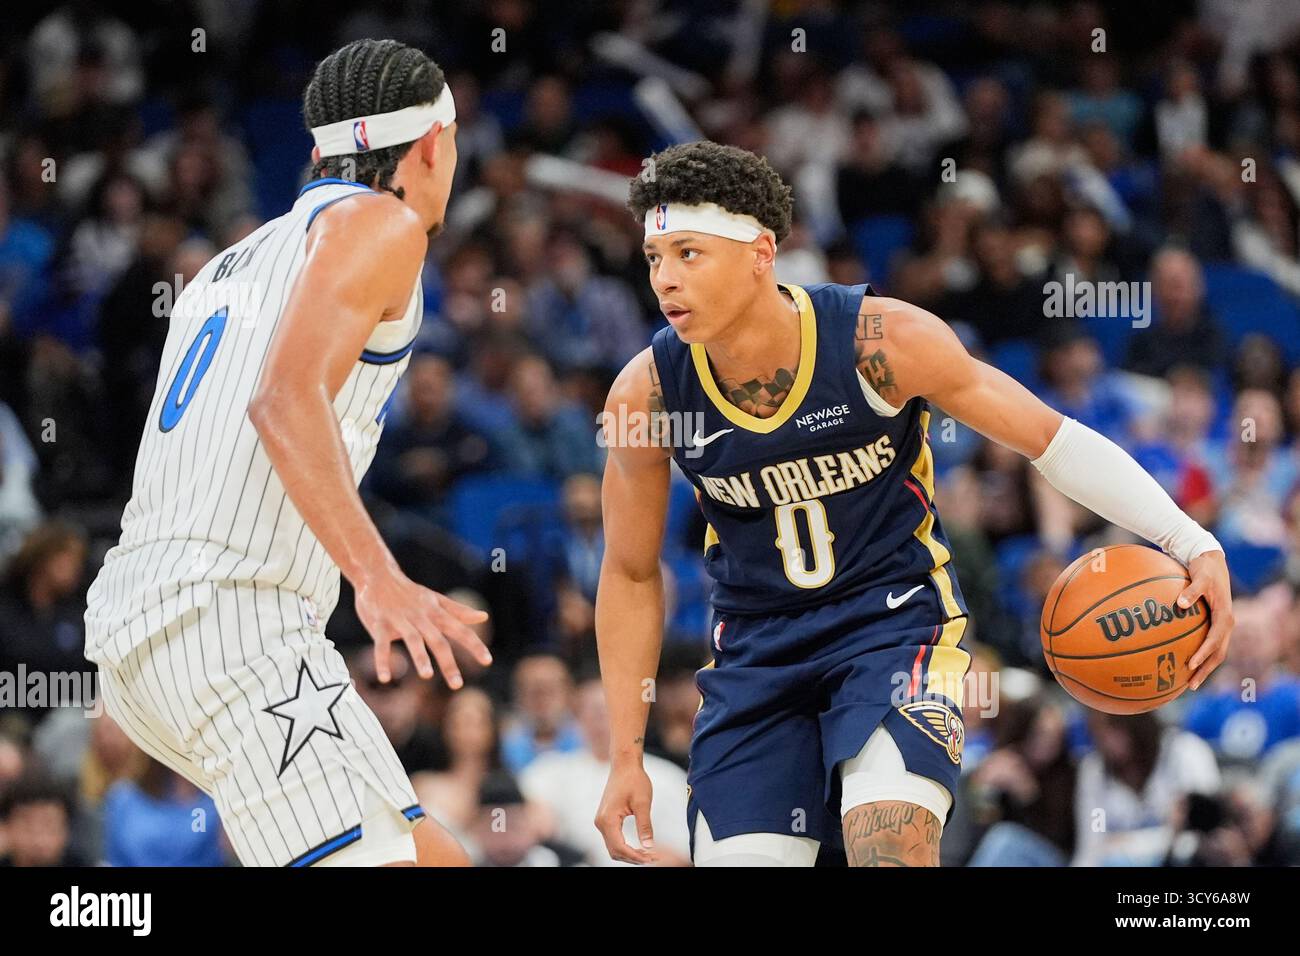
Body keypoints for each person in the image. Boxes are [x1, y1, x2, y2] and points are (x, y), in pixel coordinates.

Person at [594, 141, 1235, 867]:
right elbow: (630, 573)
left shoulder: (881, 341)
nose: (664, 280)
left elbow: (1050, 441)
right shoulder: (645, 393)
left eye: (688, 253)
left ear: (761, 253)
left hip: (890, 627)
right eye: (653, 258)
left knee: (888, 845)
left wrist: (1192, 543)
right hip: (754, 659)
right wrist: (626, 755)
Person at [81, 39, 491, 868]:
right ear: (434, 145)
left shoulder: (228, 262)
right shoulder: (386, 221)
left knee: (429, 853)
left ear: (320, 149)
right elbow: (283, 401)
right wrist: (379, 580)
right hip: (233, 618)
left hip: (138, 621)